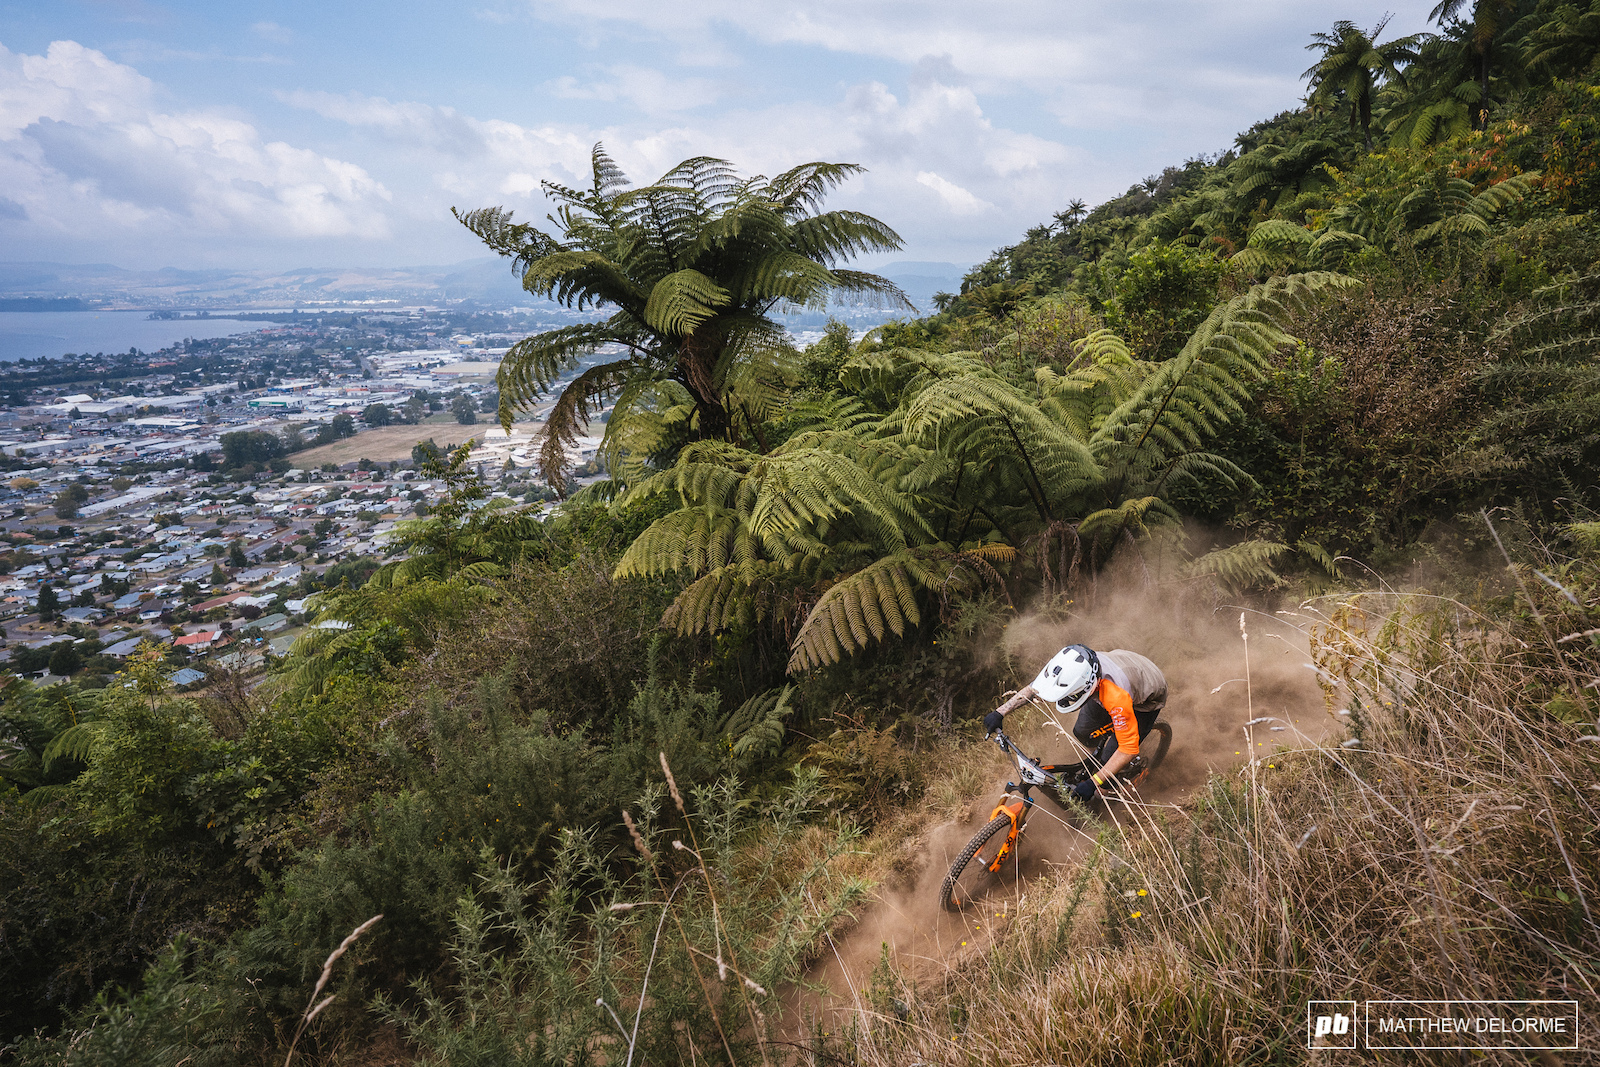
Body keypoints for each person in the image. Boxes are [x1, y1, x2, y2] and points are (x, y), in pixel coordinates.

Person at [982, 644, 1167, 801]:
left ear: (1087, 687)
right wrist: (1000, 712)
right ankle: (1101, 756)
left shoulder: (1115, 695)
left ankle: (1109, 786)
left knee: (1106, 778)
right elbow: (1035, 688)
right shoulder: (1074, 667)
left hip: (1146, 698)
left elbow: (1128, 749)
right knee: (1081, 731)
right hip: (1121, 669)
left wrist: (1093, 783)